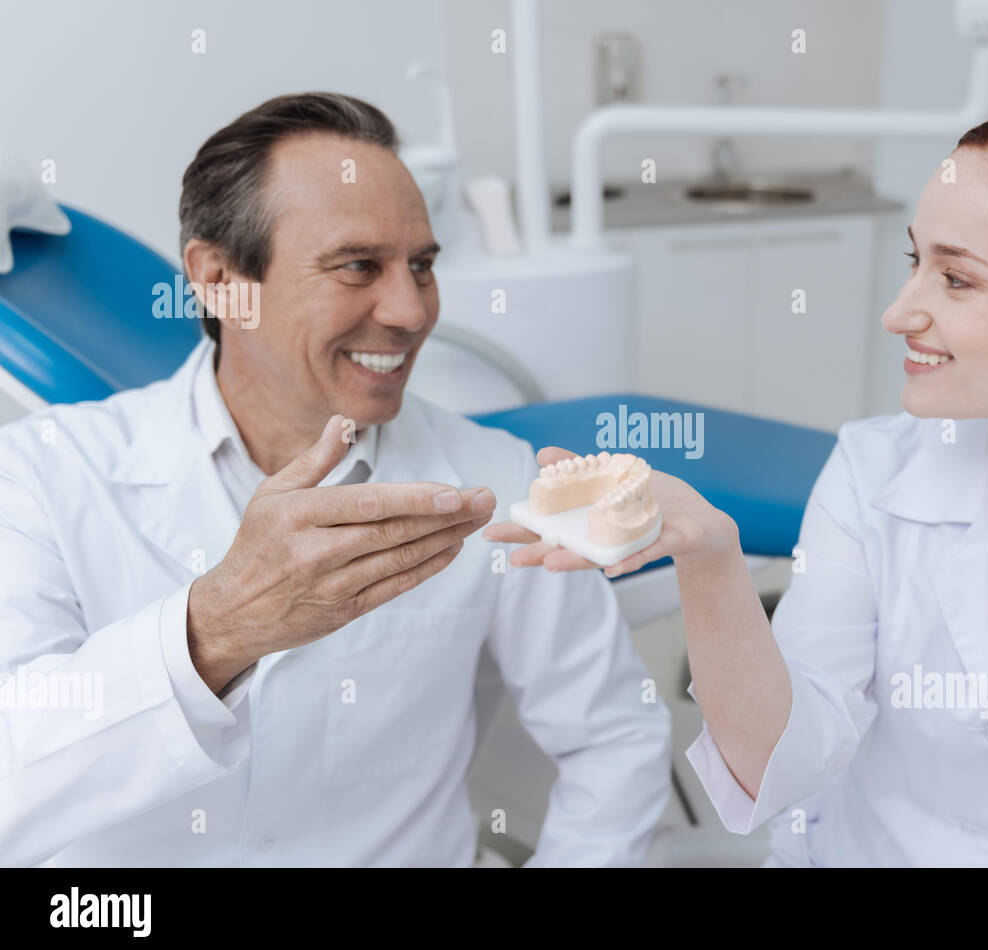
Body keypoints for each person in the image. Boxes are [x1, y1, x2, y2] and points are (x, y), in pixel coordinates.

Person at [485, 102, 988, 866]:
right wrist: (710, 562)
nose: (901, 311)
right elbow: (784, 764)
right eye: (917, 261)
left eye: (958, 279)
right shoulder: (873, 474)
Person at [0, 92, 671, 866]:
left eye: (421, 265)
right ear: (220, 279)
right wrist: (219, 627)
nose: (411, 310)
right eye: (359, 266)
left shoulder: (489, 477)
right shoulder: (43, 475)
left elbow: (614, 732)